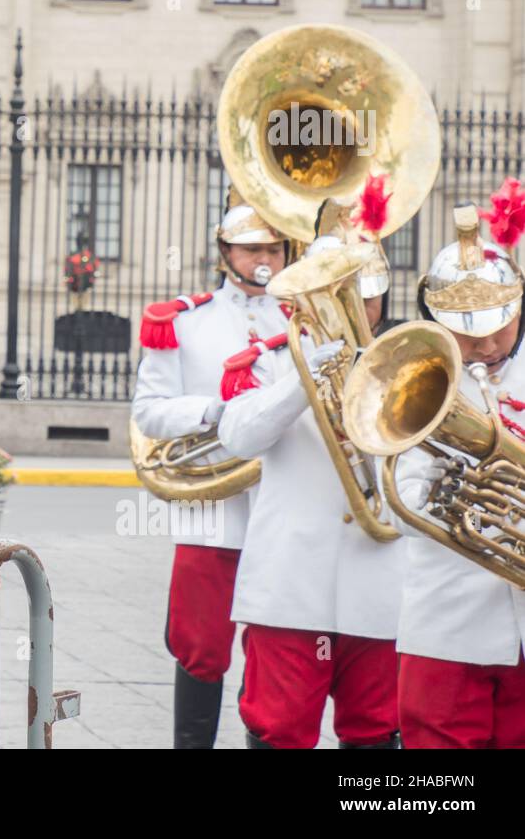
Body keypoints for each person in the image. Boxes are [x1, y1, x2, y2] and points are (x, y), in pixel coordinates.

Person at [216, 218, 403, 749]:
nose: (355, 312)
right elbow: (238, 436)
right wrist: (304, 378)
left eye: (365, 299)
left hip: (378, 580)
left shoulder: (407, 367)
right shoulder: (271, 364)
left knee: (375, 727)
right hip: (291, 586)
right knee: (280, 727)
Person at [131, 191, 288, 748]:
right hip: (212, 505)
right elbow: (148, 413)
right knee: (199, 647)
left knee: (278, 650)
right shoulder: (184, 322)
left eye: (271, 246)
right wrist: (217, 411)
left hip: (284, 506)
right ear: (225, 251)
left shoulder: (308, 322)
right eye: (248, 248)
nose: (261, 258)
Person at [391, 190, 525, 748]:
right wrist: (455, 487)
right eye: (469, 330)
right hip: (448, 626)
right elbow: (400, 510)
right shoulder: (419, 382)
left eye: (501, 323)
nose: (489, 341)